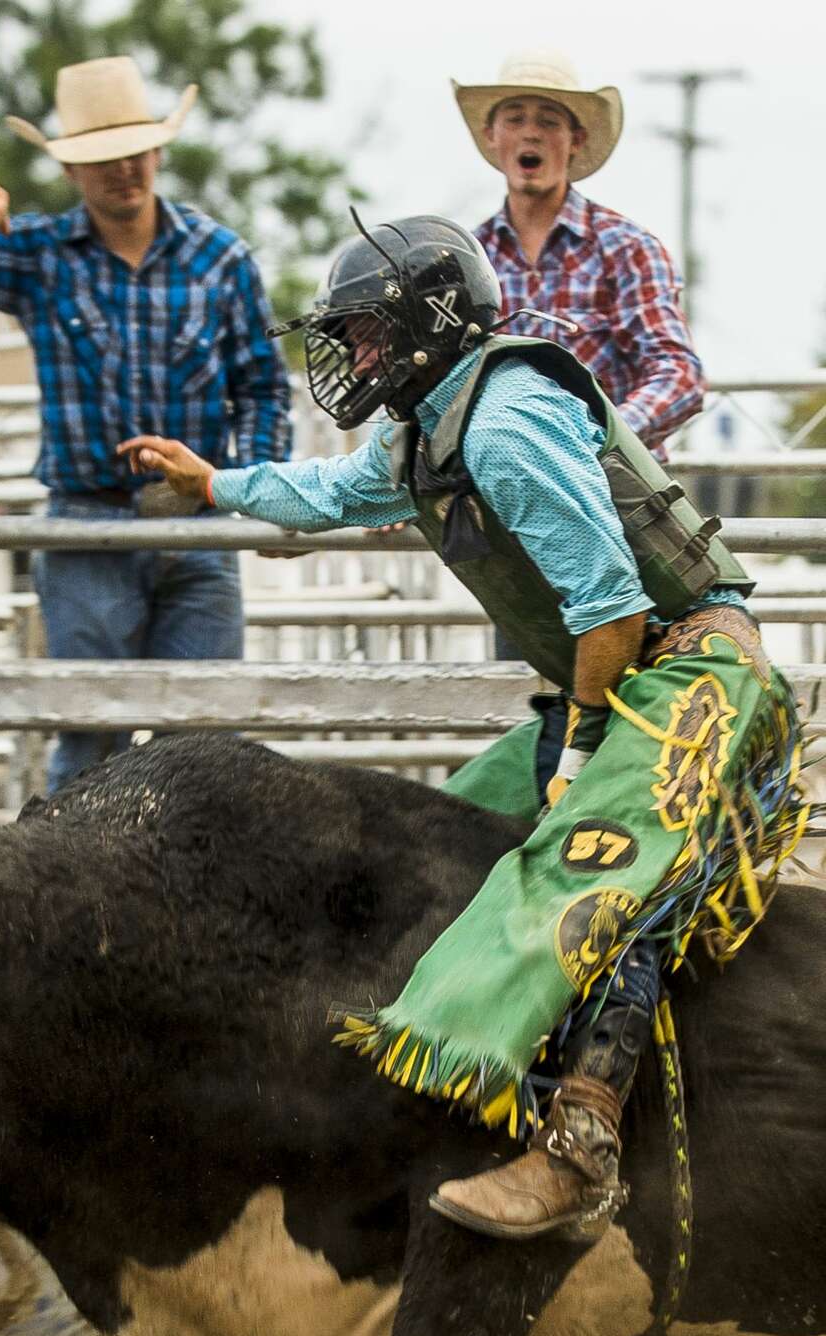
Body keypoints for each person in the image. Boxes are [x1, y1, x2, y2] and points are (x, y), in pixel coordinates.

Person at [118, 215, 806, 1242]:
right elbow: (331, 492)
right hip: (627, 680)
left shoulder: (504, 424)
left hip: (699, 669)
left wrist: (574, 758)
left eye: (361, 336)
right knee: (447, 829)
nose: (348, 358)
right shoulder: (432, 430)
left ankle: (582, 1146)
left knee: (594, 859)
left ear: (420, 327)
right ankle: (443, 1089)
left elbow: (613, 609)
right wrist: (215, 481)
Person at [0, 56, 291, 793]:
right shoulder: (39, 257)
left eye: (134, 152)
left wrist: (249, 495)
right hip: (85, 524)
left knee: (206, 740)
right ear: (72, 171)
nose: (122, 171)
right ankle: (82, 901)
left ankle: (197, 905)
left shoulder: (221, 258)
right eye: (101, 159)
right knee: (90, 734)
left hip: (198, 523)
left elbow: (261, 387)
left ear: (158, 152)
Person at [456, 51, 703, 454]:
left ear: (577, 140)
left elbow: (678, 374)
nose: (531, 133)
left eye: (549, 121)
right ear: (492, 134)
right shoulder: (465, 262)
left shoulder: (626, 248)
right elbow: (435, 383)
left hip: (610, 487)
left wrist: (600, 438)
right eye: (515, 119)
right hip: (498, 483)